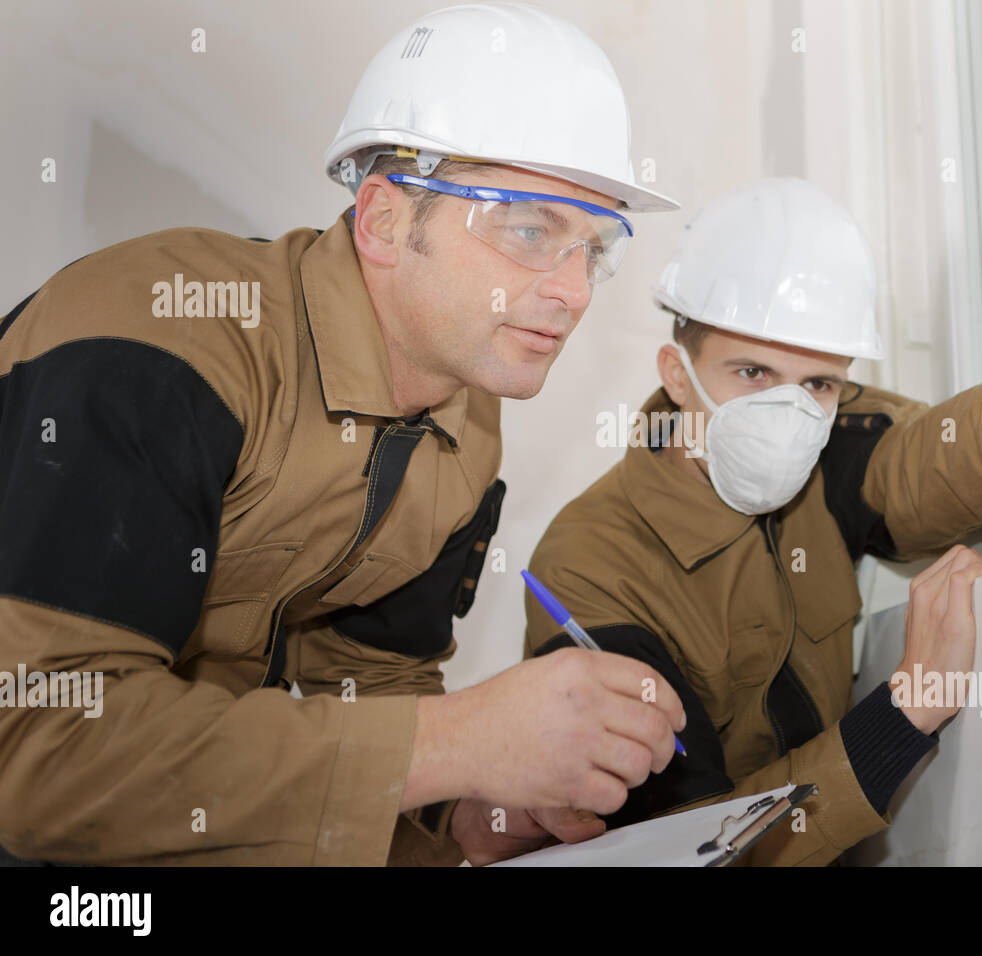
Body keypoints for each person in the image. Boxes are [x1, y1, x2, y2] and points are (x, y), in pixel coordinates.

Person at [0, 3, 686, 866]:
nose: (575, 292)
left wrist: (470, 815)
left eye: (595, 247)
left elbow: (371, 693)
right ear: (384, 220)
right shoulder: (159, 347)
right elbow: (39, 753)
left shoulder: (466, 429)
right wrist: (461, 739)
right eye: (529, 229)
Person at [519, 177, 982, 865]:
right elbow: (681, 847)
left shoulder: (826, 449)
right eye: (752, 372)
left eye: (819, 383)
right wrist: (906, 712)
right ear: (677, 375)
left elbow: (918, 466)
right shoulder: (588, 566)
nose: (790, 413)